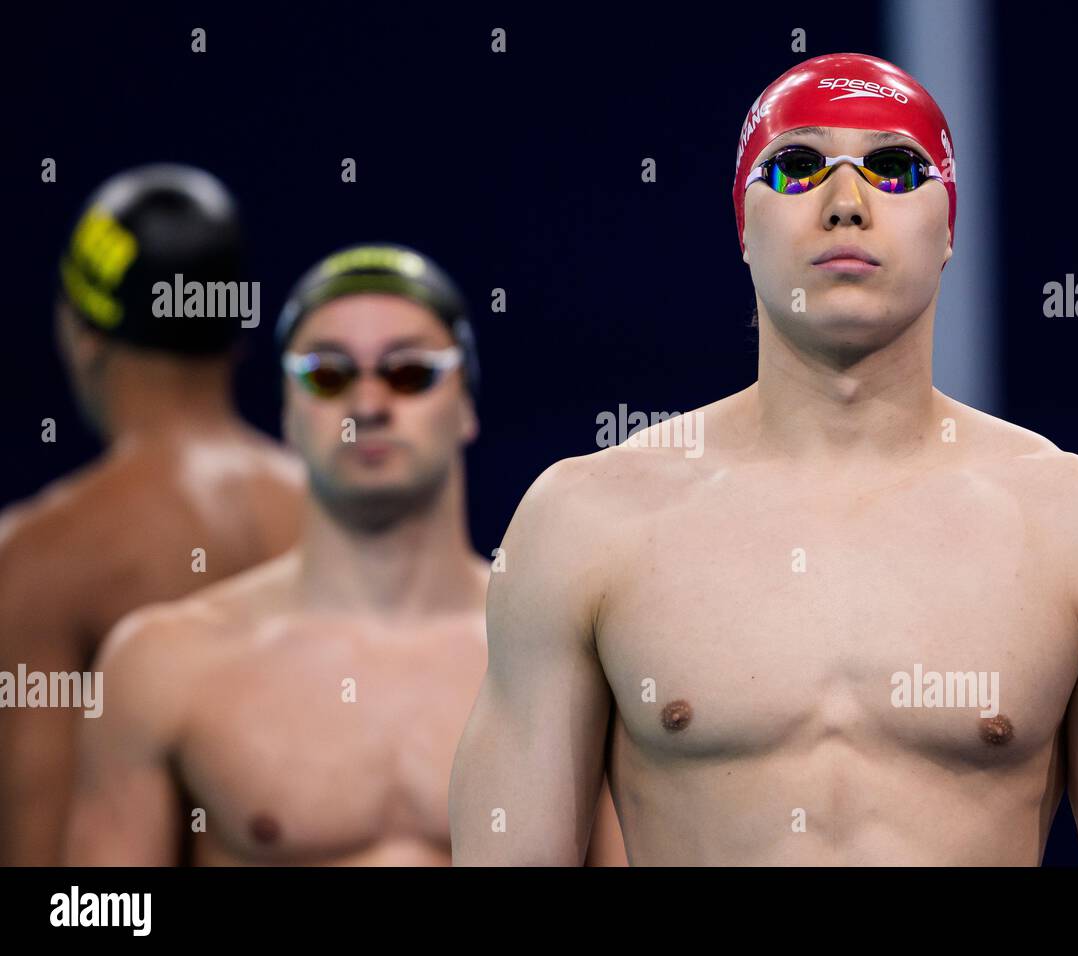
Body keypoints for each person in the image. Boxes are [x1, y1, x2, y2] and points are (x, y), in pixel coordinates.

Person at [449, 53, 1078, 865]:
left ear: (949, 227)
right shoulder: (583, 522)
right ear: (743, 228)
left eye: (893, 168)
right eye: (797, 166)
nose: (846, 204)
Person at [65, 245, 625, 865]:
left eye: (408, 372)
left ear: (466, 402)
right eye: (327, 375)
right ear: (286, 410)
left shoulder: (567, 659)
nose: (367, 406)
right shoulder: (163, 665)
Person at [0, 165, 303, 865]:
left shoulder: (42, 556)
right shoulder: (344, 519)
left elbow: (40, 861)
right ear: (235, 329)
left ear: (83, 335)